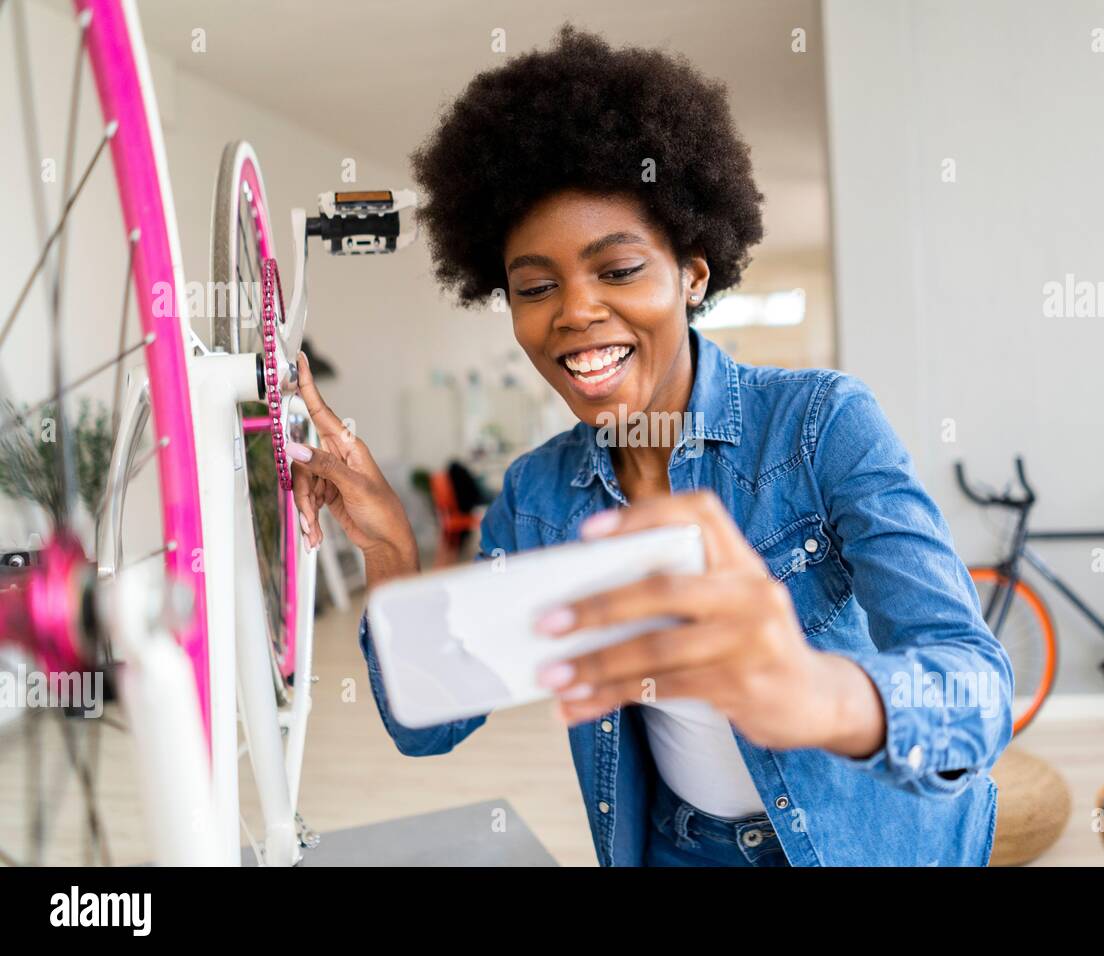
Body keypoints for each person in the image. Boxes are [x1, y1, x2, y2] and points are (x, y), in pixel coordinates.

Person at [286, 25, 1013, 867]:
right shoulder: (538, 496)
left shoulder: (820, 426)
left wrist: (812, 693)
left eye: (619, 269)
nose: (575, 311)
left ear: (693, 275)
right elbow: (430, 723)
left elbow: (977, 691)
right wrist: (389, 548)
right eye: (535, 286)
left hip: (867, 842)